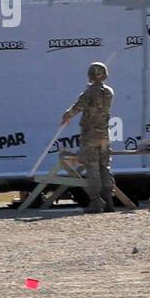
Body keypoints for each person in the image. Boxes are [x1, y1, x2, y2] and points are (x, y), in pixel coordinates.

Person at [61, 62, 116, 213]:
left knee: (92, 168)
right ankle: (109, 200)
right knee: (105, 167)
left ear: (90, 75)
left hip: (90, 135)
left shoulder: (89, 93)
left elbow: (76, 108)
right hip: (104, 135)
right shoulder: (109, 92)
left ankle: (96, 202)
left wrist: (66, 116)